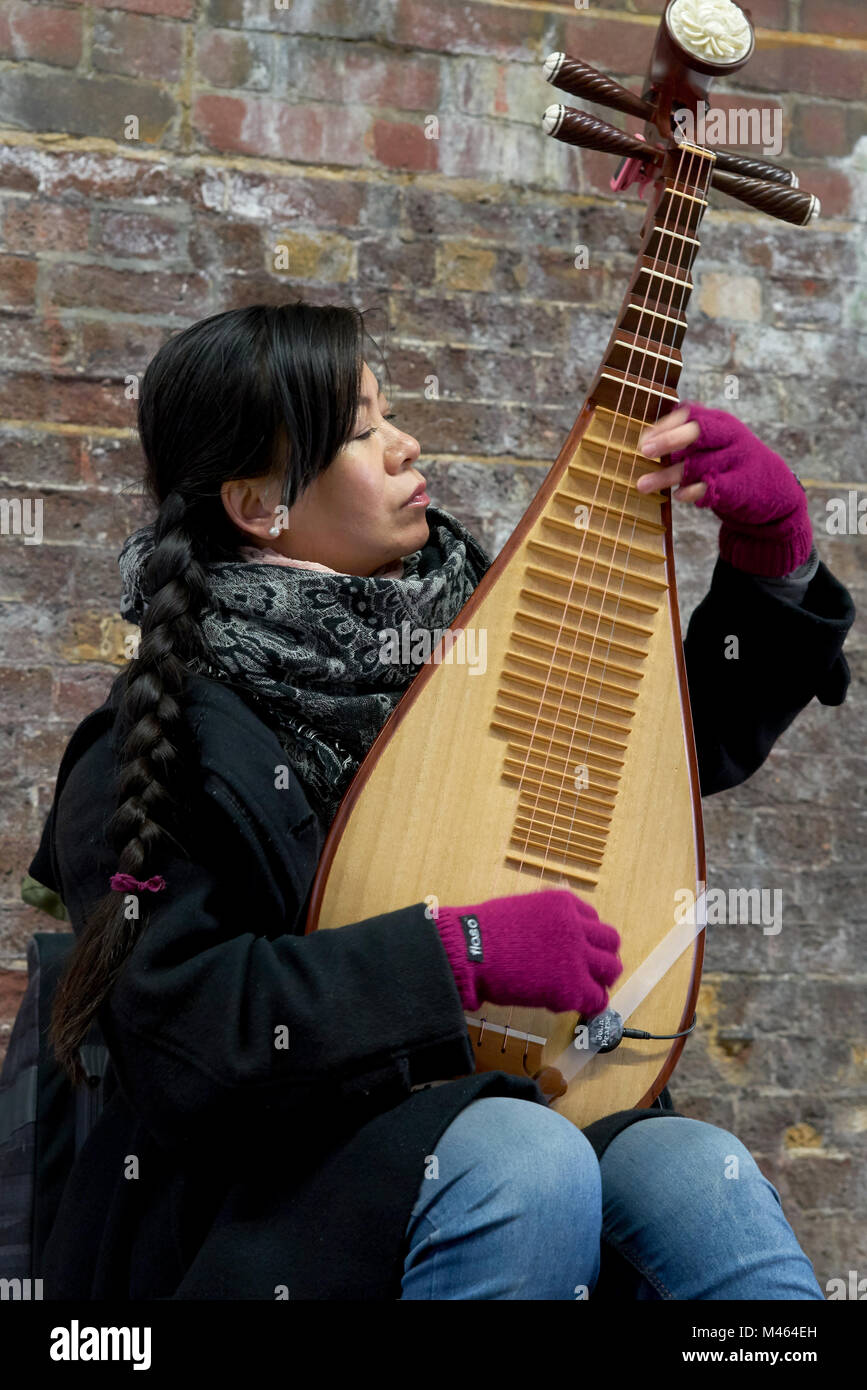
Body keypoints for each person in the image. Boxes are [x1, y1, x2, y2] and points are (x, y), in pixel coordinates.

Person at [26, 300, 854, 1300]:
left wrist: (774, 555)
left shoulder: (467, 639)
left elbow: (666, 762)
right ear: (259, 505)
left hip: (530, 1103)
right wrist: (455, 950)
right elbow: (188, 1036)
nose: (403, 441)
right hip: (271, 1188)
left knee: (702, 1178)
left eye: (391, 411)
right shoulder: (152, 743)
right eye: (362, 429)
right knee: (526, 1156)